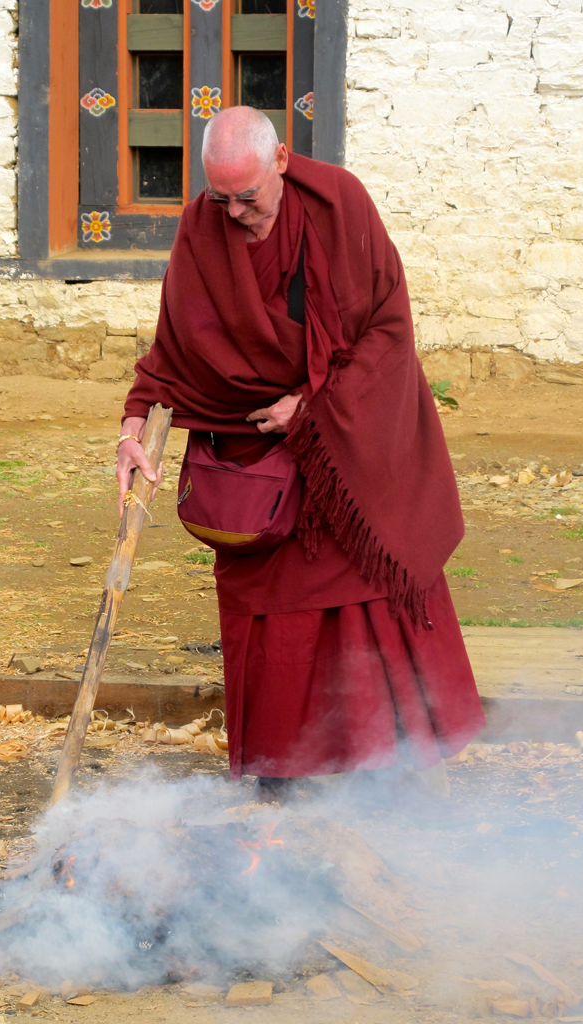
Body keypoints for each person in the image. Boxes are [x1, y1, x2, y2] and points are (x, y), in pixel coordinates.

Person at [116, 106, 485, 802]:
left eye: (248, 197)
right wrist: (133, 426)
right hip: (257, 470)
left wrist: (314, 407)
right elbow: (174, 347)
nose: (235, 213)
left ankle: (386, 768)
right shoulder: (202, 227)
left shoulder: (339, 205)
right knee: (273, 617)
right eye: (221, 198)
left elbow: (386, 328)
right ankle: (284, 769)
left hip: (346, 452)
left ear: (280, 160)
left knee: (365, 601)